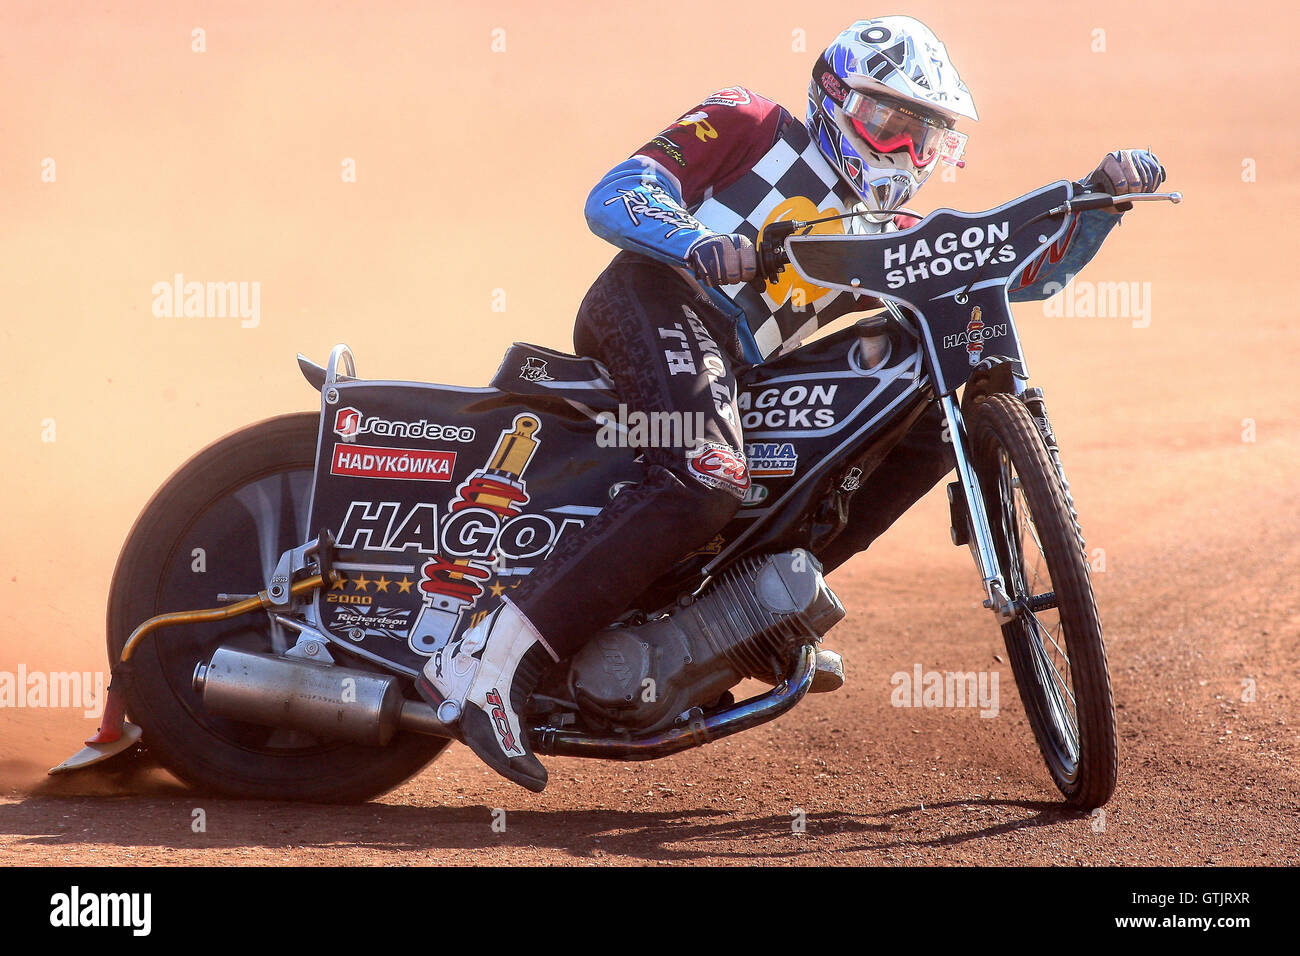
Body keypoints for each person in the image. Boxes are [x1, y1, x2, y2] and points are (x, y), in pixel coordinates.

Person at [415, 16, 1165, 792]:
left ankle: (739, 620)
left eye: (926, 138)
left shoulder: (885, 232)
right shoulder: (750, 120)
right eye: (889, 123)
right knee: (707, 475)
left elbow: (1025, 275)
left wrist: (1100, 202)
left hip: (730, 361)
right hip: (656, 296)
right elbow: (616, 193)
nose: (905, 152)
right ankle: (486, 661)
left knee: (907, 423)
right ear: (835, 97)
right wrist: (690, 240)